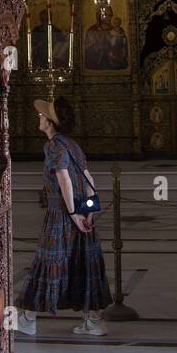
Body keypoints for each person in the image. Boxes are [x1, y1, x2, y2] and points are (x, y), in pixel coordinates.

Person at [16, 96, 111, 337]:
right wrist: (87, 211)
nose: (39, 118)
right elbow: (89, 178)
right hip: (81, 209)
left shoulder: (53, 146)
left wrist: (72, 213)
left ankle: (27, 318)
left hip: (62, 213)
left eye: (42, 116)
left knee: (48, 262)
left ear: (50, 123)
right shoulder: (72, 144)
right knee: (83, 263)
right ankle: (94, 320)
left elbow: (64, 180)